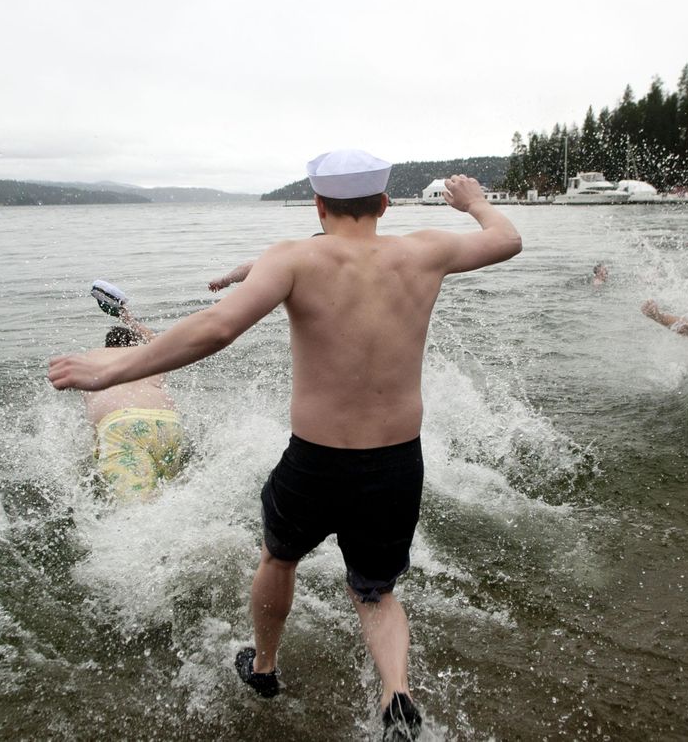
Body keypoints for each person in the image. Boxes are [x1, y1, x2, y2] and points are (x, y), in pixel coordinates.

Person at [49, 150, 522, 737]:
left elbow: (217, 327)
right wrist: (474, 202)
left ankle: (265, 665)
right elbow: (506, 239)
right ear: (384, 203)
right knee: (375, 593)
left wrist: (109, 372)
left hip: (316, 461)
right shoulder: (426, 251)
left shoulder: (294, 258)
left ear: (318, 204)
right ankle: (395, 695)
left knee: (279, 557)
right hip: (397, 462)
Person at [82, 307, 185, 502]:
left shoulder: (92, 358)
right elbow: (163, 343)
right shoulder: (149, 357)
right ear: (136, 344)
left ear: (107, 347)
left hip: (121, 427)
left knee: (137, 508)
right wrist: (127, 317)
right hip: (168, 424)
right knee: (168, 499)